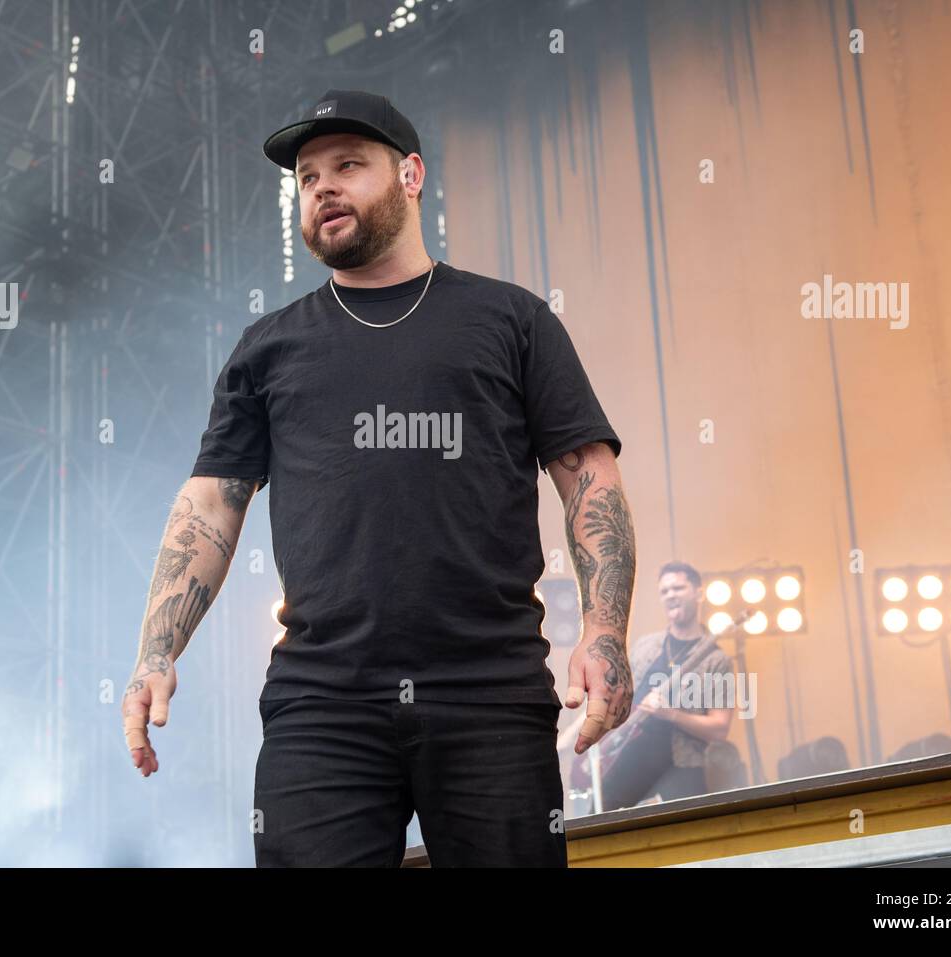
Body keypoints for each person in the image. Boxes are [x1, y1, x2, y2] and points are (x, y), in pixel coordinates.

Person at [121, 89, 635, 867]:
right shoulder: (269, 349)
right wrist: (155, 652)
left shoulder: (513, 321)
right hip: (321, 703)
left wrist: (605, 633)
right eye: (306, 176)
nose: (322, 186)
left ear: (411, 175)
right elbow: (211, 505)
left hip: (489, 693)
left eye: (348, 165)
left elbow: (589, 480)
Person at [582, 561, 735, 808]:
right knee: (597, 822)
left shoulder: (716, 660)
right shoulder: (645, 646)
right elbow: (612, 696)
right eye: (664, 591)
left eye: (678, 588)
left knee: (690, 836)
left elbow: (719, 728)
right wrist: (571, 738)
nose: (670, 596)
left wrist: (671, 714)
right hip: (633, 757)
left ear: (699, 593)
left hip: (683, 765)